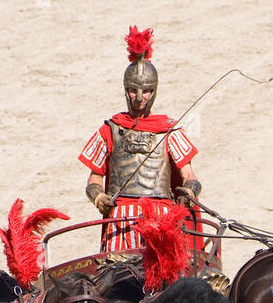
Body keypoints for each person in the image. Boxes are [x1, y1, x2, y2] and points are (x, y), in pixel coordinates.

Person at [79, 26, 202, 254]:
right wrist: (98, 198)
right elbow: (93, 180)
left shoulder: (169, 131)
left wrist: (190, 193)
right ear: (126, 90)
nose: (139, 98)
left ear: (153, 91)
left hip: (162, 216)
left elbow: (189, 176)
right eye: (133, 90)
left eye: (145, 91)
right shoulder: (109, 129)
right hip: (120, 218)